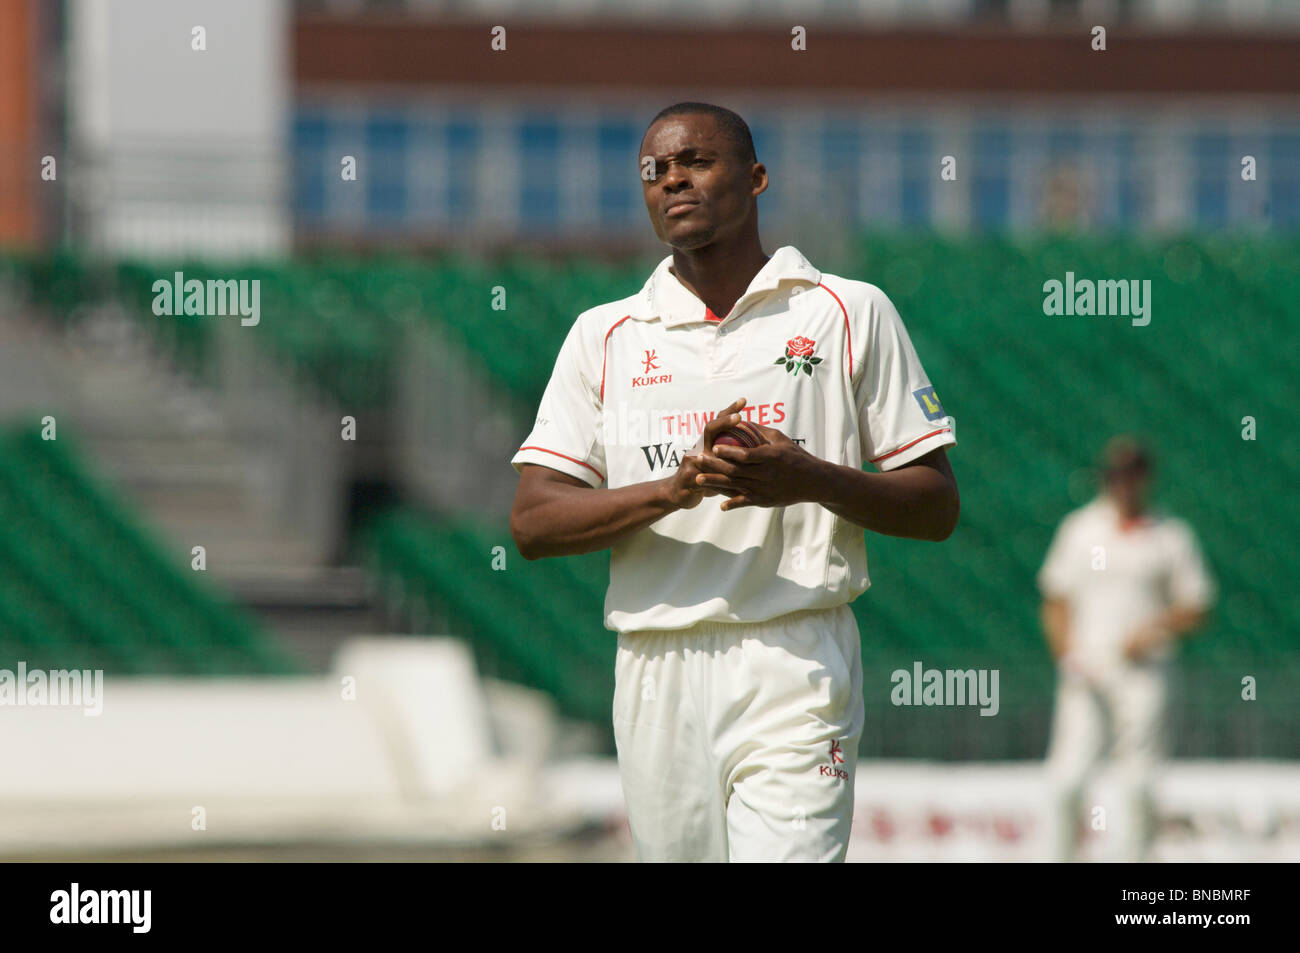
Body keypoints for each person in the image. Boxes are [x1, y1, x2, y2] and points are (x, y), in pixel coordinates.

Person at [510, 102, 959, 862]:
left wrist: (807, 476)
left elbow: (937, 504)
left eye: (696, 161)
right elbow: (531, 522)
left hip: (793, 654)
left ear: (755, 178)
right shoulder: (605, 334)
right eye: (655, 170)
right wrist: (671, 490)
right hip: (656, 663)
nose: (673, 179)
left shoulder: (847, 311)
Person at [1039, 436, 1215, 862]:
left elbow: (1196, 604)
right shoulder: (1080, 529)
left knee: (1138, 784)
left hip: (1145, 671)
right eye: (1115, 476)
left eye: (1132, 476)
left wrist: (1155, 628)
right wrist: (1067, 654)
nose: (1123, 485)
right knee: (1067, 780)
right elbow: (1056, 600)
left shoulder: (1170, 535)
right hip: (1087, 669)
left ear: (1145, 479)